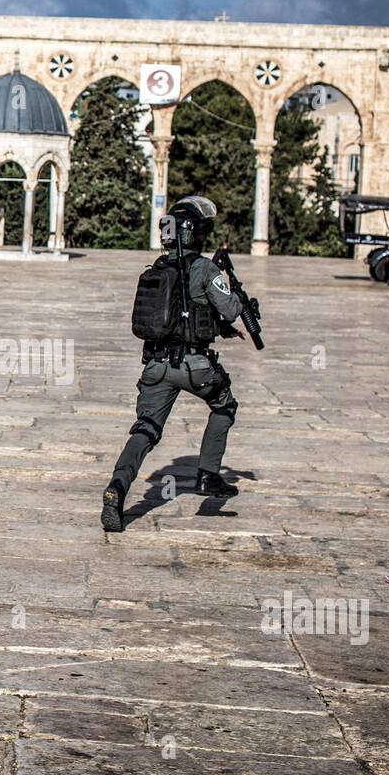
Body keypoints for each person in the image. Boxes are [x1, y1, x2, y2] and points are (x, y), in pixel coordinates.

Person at [102, 196, 246, 533]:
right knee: (225, 406)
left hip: (155, 367)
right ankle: (208, 477)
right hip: (195, 367)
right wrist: (239, 300)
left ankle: (117, 489)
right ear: (195, 234)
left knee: (146, 429)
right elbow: (229, 309)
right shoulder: (206, 269)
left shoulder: (158, 270)